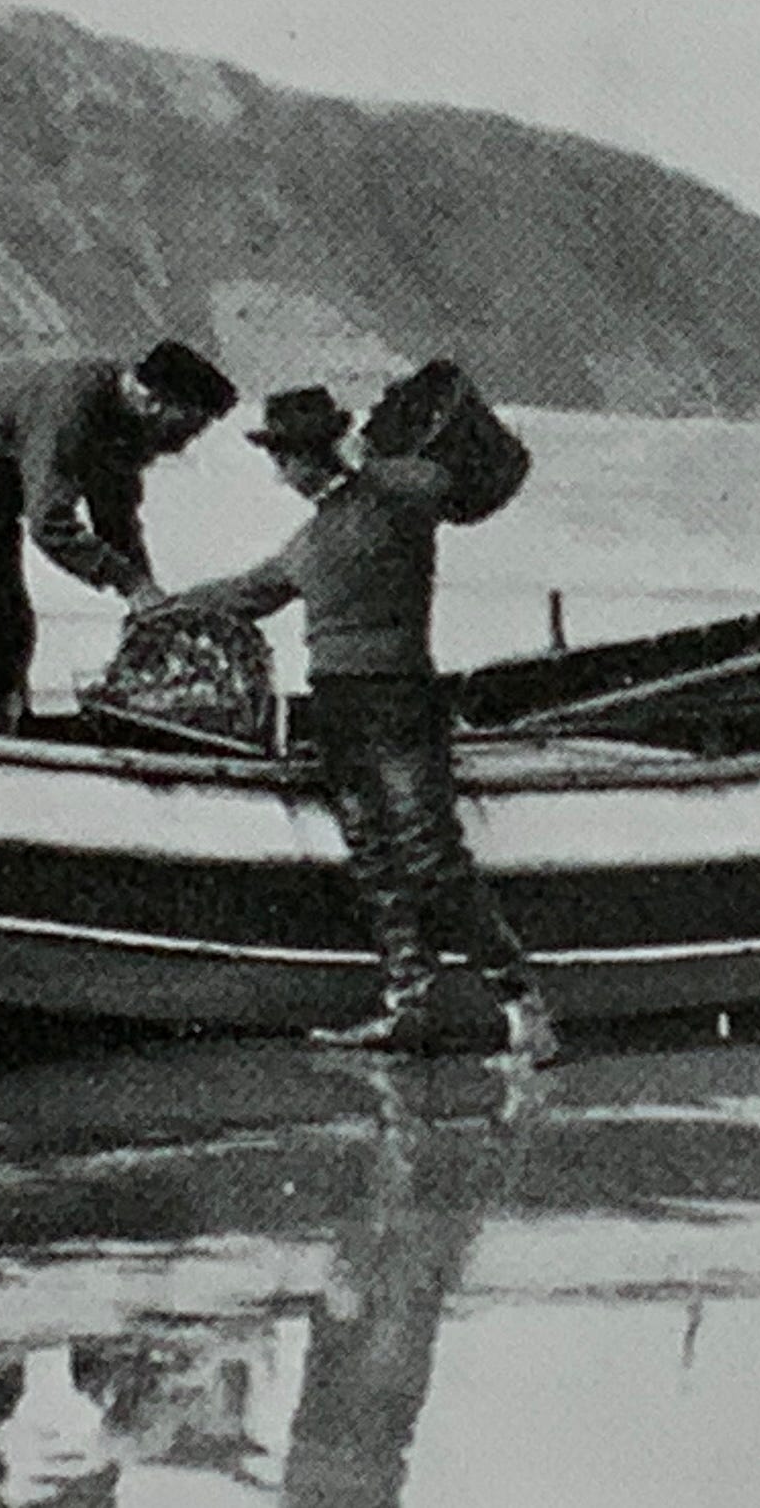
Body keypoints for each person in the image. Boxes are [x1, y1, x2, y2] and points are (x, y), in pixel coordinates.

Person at [157, 388, 562, 1064]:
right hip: (339, 709)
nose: (278, 473)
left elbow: (438, 477)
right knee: (376, 854)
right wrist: (167, 608)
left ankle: (526, 1008)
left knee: (430, 855)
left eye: (282, 457)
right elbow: (246, 593)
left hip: (399, 701)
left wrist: (360, 457)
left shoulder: (398, 498)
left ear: (307, 455)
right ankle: (411, 1008)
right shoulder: (314, 536)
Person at [0, 340, 239, 731]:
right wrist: (129, 582)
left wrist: (144, 599)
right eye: (188, 427)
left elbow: (116, 517)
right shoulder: (69, 408)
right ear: (153, 403)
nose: (185, 445)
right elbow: (51, 526)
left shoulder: (129, 423)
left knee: (13, 631)